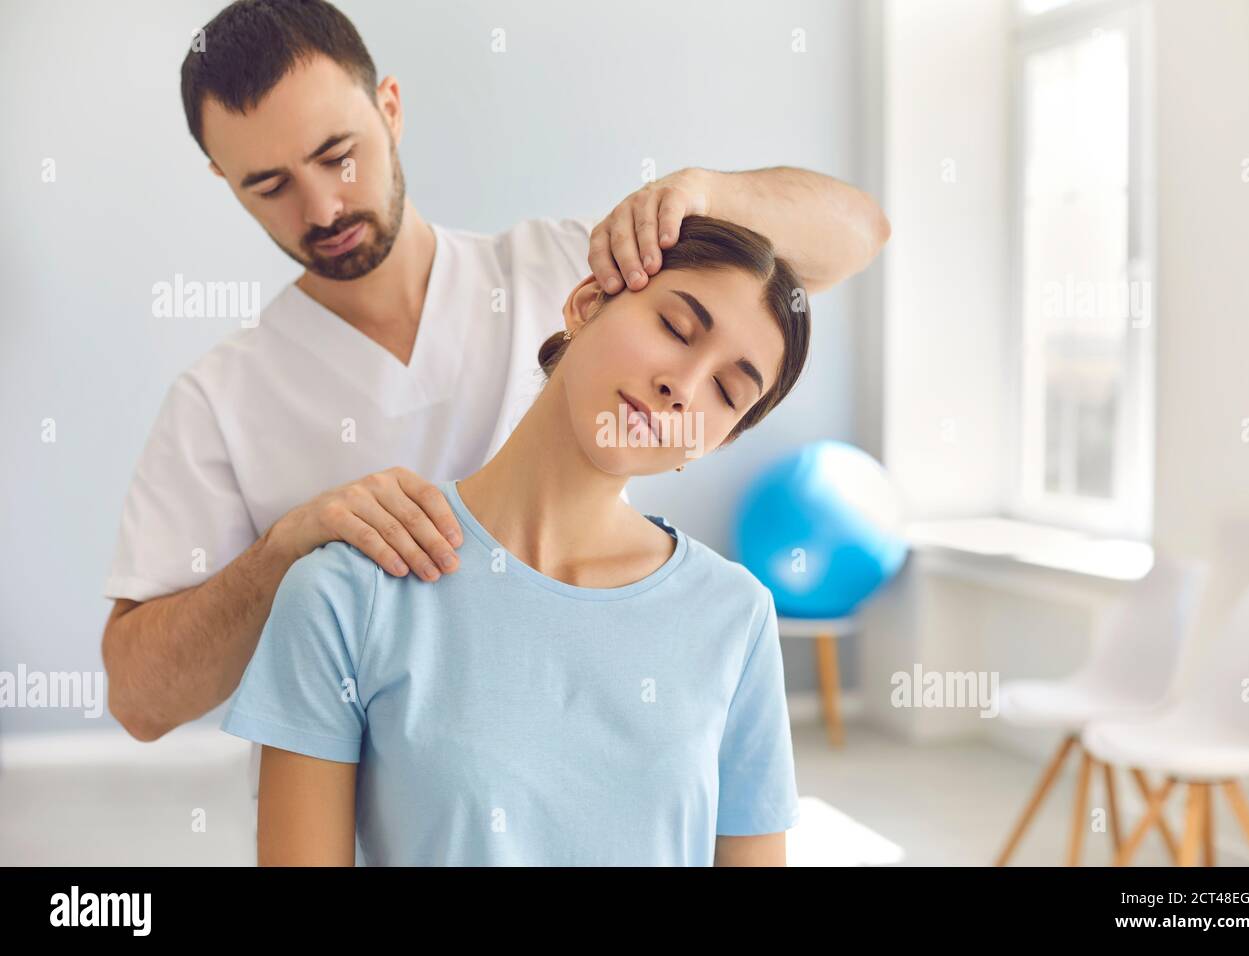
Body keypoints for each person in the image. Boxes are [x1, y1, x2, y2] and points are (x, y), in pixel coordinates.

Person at [101, 0, 890, 762]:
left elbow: (857, 235)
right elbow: (140, 701)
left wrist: (702, 195)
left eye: (338, 154)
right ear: (223, 179)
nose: (323, 204)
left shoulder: (572, 268)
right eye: (269, 186)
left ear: (390, 108)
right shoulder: (218, 400)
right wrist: (285, 554)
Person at [222, 216, 811, 866]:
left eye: (727, 392)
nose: (684, 387)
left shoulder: (735, 617)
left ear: (717, 441)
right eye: (674, 328)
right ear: (587, 304)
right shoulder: (349, 591)